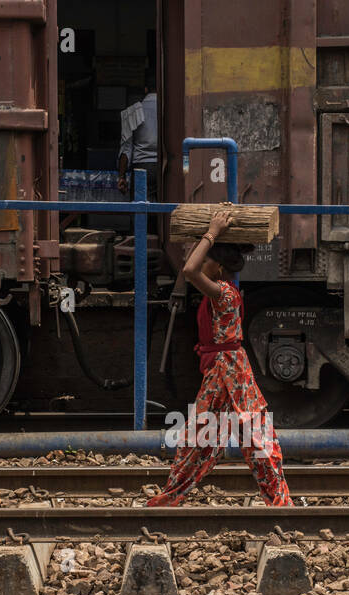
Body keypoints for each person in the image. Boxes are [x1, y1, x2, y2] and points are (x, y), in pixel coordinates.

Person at [147, 208, 293, 507]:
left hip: (230, 370)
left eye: (208, 260)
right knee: (202, 435)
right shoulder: (223, 291)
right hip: (224, 370)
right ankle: (172, 494)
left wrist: (211, 233)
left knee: (250, 435)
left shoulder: (224, 293)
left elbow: (189, 271)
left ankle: (279, 500)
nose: (204, 263)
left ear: (219, 268)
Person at [117, 76, 157, 201]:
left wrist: (122, 176)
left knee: (141, 211)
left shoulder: (133, 112)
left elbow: (126, 149)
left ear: (145, 90)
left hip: (141, 168)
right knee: (165, 213)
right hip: (165, 167)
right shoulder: (170, 110)